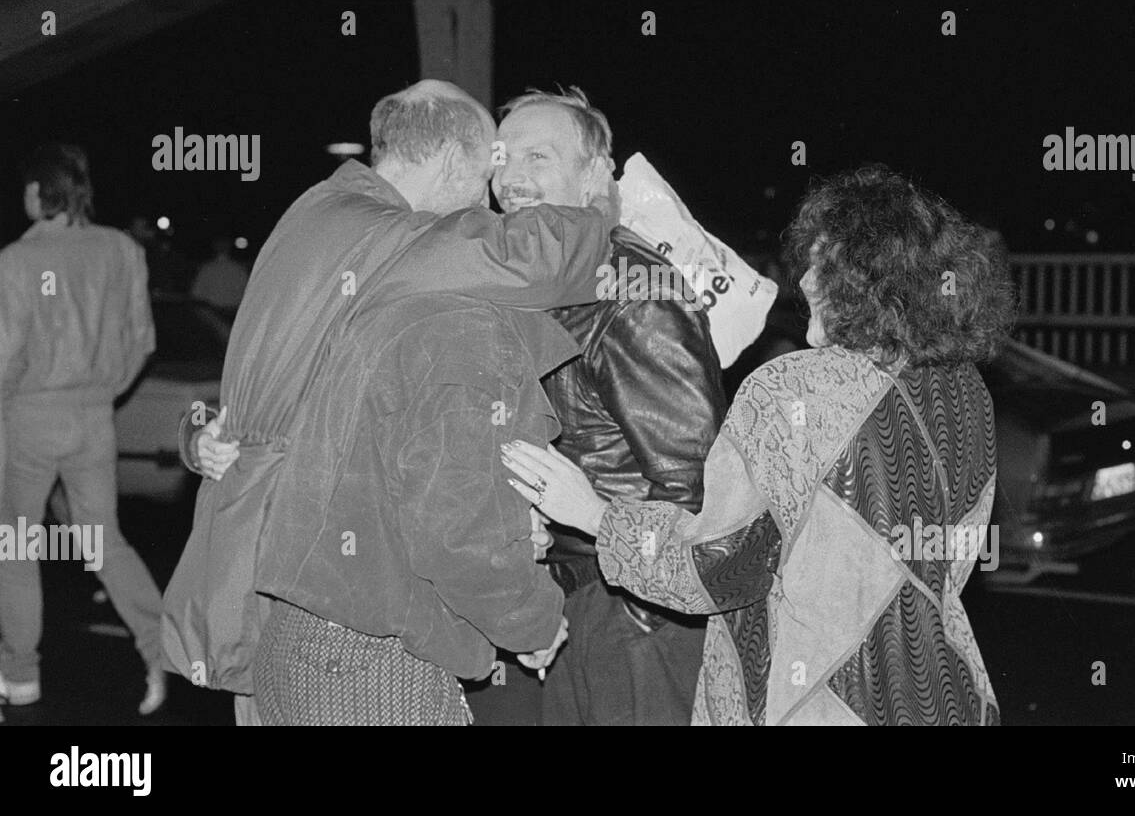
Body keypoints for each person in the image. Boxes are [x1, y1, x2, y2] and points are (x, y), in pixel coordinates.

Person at [163, 79, 616, 725]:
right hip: (322, 577)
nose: (498, 187)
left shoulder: (314, 212)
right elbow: (536, 258)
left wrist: (198, 432)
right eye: (495, 161)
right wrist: (599, 204)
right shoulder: (394, 239)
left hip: (268, 562)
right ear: (459, 162)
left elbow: (271, 365)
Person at [504, 165, 1015, 725]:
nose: (804, 279)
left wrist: (595, 514)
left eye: (819, 263)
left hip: (815, 700)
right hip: (941, 690)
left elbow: (715, 570)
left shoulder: (794, 389)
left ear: (854, 279)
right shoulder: (965, 390)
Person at [492, 88, 725, 725]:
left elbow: (698, 486)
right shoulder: (541, 280)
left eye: (538, 157)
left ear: (595, 174)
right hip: (577, 602)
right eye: (502, 157)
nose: (513, 177)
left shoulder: (630, 293)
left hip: (634, 618)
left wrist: (634, 621)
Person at [252, 290, 574, 725]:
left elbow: (396, 493)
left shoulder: (397, 312)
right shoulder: (471, 335)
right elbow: (459, 536)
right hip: (369, 669)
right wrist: (535, 622)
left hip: (306, 642)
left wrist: (512, 523)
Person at [0, 144, 166, 715]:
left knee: (17, 547)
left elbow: (6, 356)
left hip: (29, 418)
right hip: (95, 419)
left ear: (41, 193)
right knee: (103, 542)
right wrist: (99, 392)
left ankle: (20, 676)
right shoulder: (121, 250)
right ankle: (158, 650)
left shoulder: (17, 262)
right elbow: (141, 339)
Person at [190, 236, 249, 313]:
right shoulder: (240, 269)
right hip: (234, 313)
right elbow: (247, 294)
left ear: (214, 247)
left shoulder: (206, 269)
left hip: (212, 314)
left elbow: (196, 295)